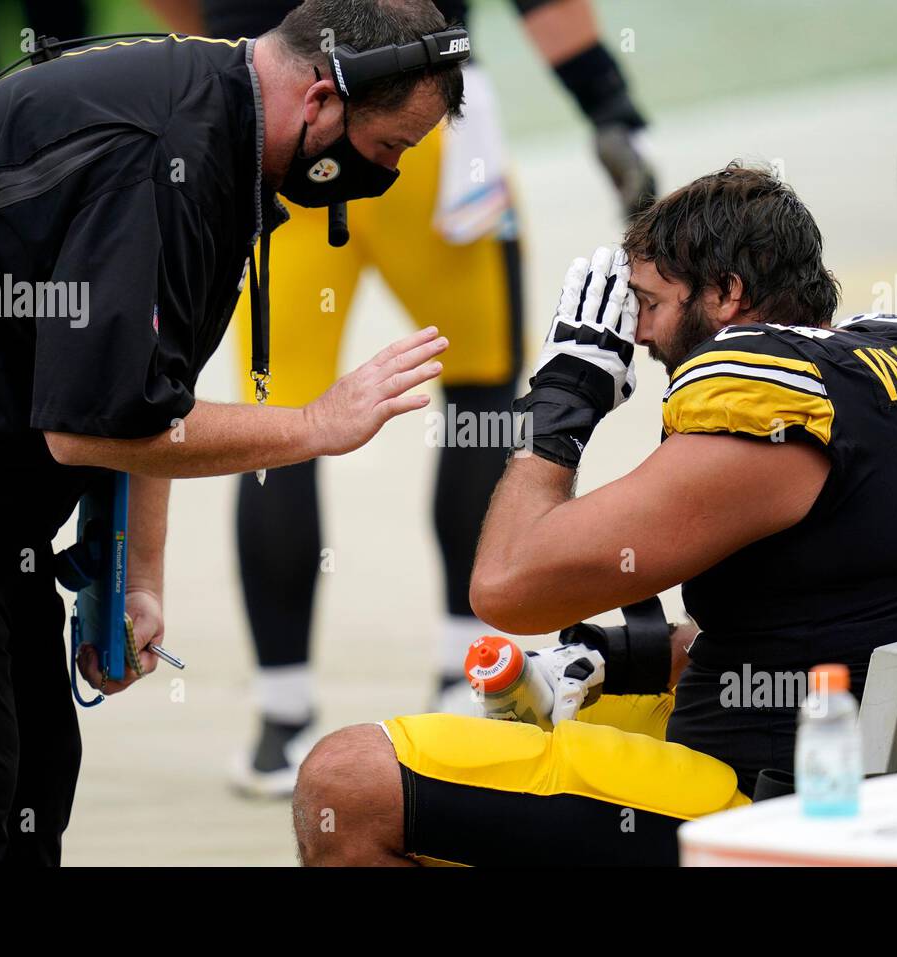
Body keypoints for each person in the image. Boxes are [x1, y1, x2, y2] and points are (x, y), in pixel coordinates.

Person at [0, 0, 462, 866]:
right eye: (390, 147)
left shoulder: (218, 120)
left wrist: (135, 573)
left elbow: (144, 381)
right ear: (321, 101)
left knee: (29, 792)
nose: (384, 173)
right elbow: (93, 424)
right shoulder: (163, 157)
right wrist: (316, 424)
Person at [290, 165, 897, 866]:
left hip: (787, 804)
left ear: (727, 293)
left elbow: (506, 585)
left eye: (650, 303)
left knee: (347, 780)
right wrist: (623, 655)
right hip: (888, 763)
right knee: (540, 713)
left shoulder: (765, 394)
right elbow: (846, 611)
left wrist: (564, 396)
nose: (637, 334)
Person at [143, 0, 658, 796]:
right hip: (427, 126)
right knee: (482, 395)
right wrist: (609, 104)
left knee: (279, 412)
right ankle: (467, 672)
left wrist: (236, 32)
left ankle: (282, 717)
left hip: (287, 122)